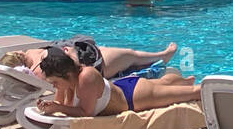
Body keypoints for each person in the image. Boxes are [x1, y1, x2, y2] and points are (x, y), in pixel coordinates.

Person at [34, 47, 200, 117]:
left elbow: (86, 113)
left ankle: (213, 88)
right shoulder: (69, 80)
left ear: (65, 74)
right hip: (121, 87)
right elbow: (60, 103)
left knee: (191, 94)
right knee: (161, 85)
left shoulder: (86, 77)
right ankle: (184, 81)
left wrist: (57, 107)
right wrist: (50, 106)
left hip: (133, 97)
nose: (54, 87)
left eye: (55, 82)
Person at [8, 38, 178, 79]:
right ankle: (163, 56)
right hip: (94, 64)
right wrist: (71, 53)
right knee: (130, 54)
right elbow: (70, 68)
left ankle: (161, 56)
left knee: (128, 54)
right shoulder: (39, 67)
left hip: (89, 55)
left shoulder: (33, 64)